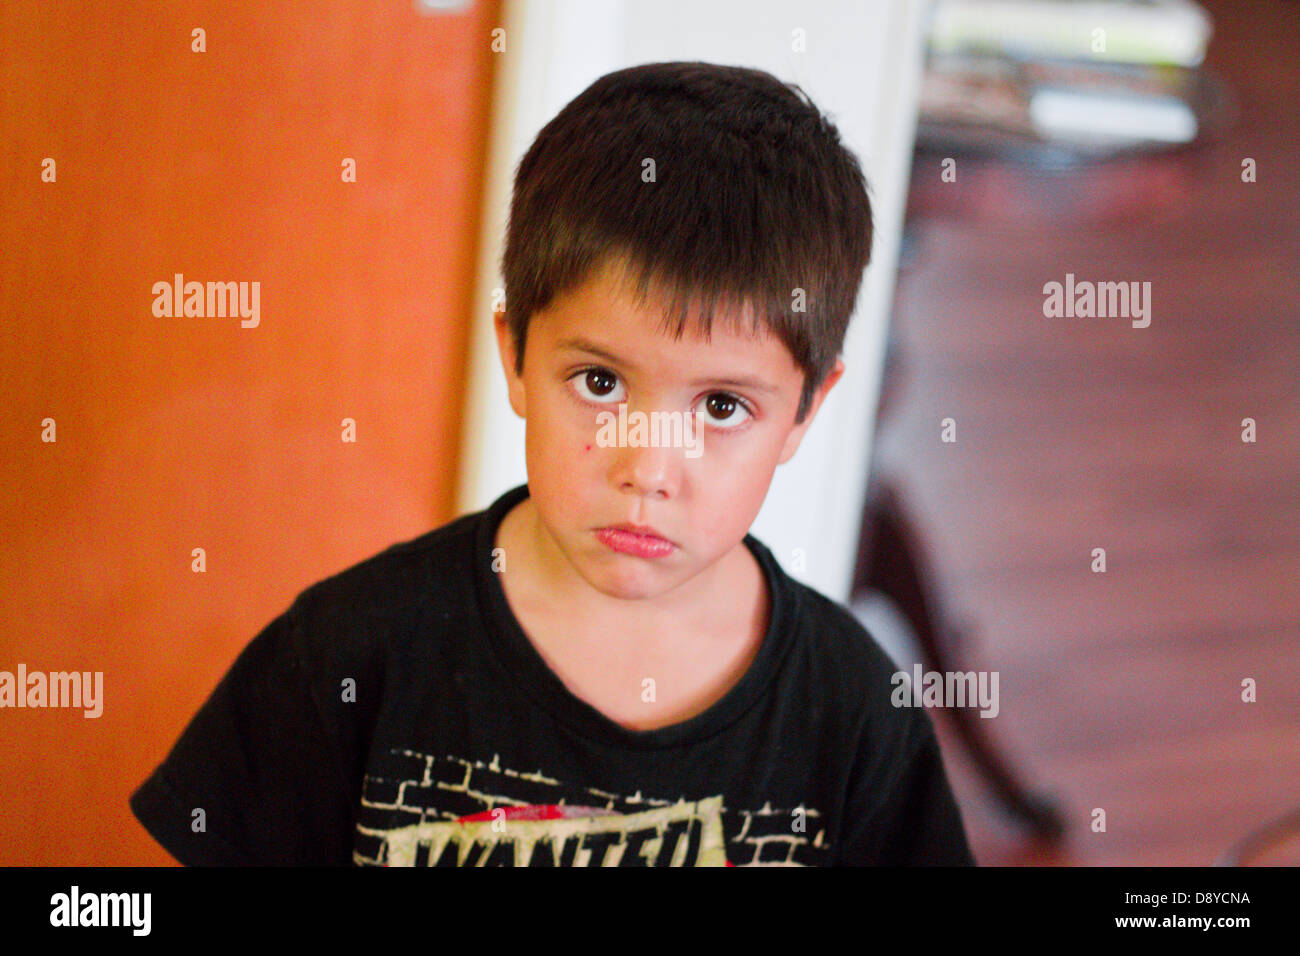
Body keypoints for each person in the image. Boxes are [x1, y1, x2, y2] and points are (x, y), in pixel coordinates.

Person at [130, 61, 976, 866]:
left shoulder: (855, 714)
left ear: (804, 413)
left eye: (722, 407)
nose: (648, 469)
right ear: (517, 357)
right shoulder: (346, 657)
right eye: (600, 382)